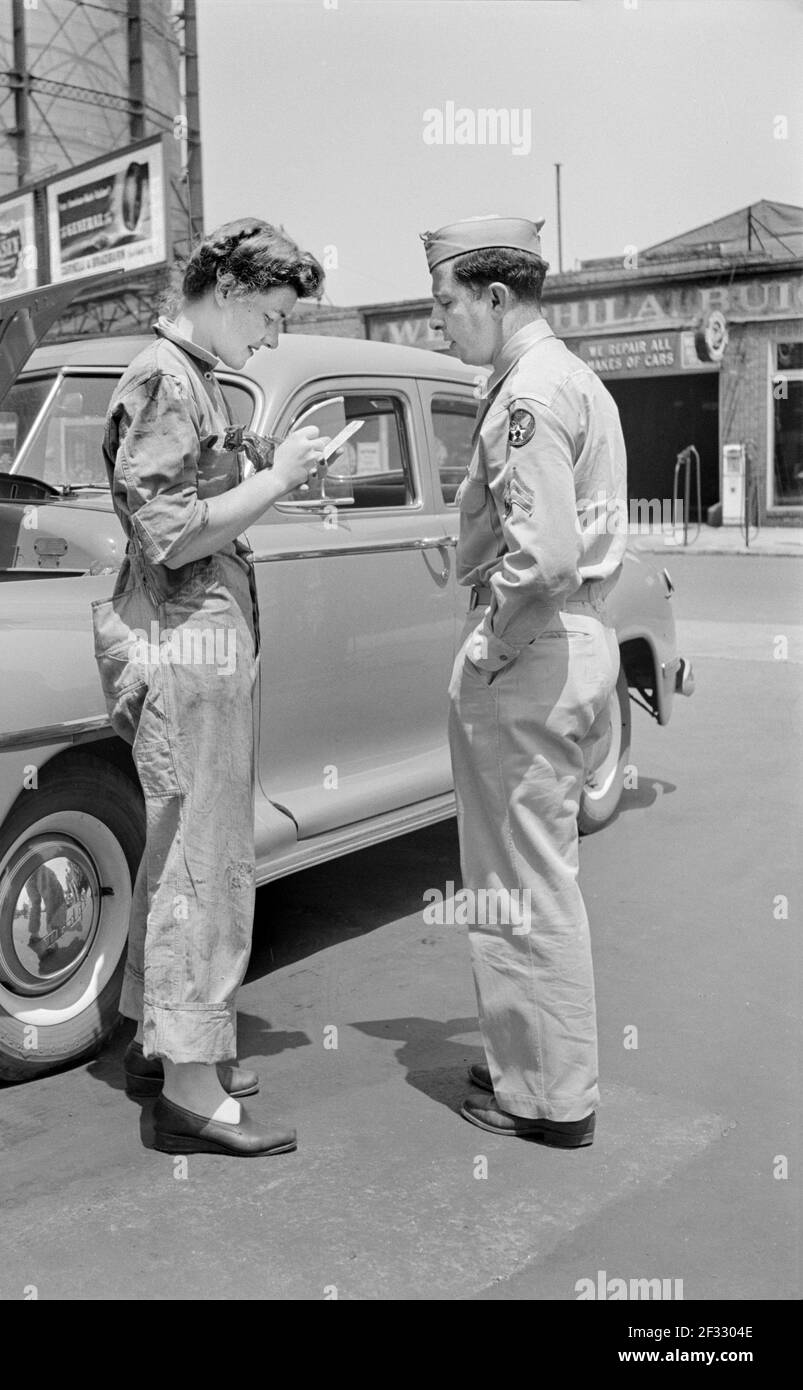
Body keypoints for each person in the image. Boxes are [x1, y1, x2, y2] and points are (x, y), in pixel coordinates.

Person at [92, 218, 329, 1157]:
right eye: (269, 317)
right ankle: (192, 1091)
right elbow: (171, 532)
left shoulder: (185, 375)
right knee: (207, 857)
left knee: (181, 847)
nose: (271, 338)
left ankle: (169, 1042)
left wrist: (260, 457)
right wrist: (276, 480)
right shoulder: (163, 377)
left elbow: (185, 491)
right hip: (185, 639)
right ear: (229, 292)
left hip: (189, 636)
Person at [422, 215, 627, 1147]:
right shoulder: (568, 378)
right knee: (530, 878)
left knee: (521, 884)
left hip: (532, 650)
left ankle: (547, 1100)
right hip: (573, 643)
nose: (437, 324)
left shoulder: (526, 398)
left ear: (495, 298)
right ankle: (530, 1062)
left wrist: (488, 642)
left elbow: (541, 560)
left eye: (446, 303)